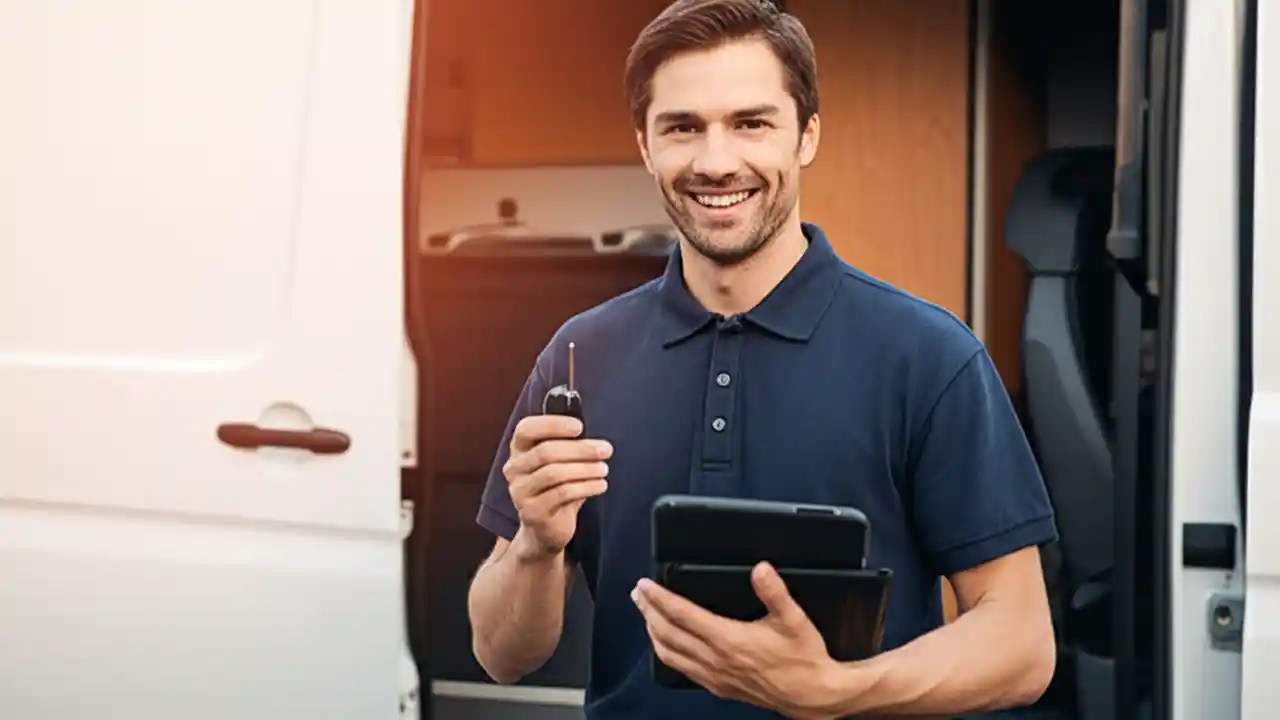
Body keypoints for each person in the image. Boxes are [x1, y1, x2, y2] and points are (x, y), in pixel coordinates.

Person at [466, 0, 1059, 717]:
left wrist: (836, 692)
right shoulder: (578, 357)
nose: (716, 163)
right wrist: (535, 544)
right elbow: (501, 654)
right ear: (646, 146)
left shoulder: (929, 356)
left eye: (751, 123)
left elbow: (1022, 644)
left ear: (807, 135)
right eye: (683, 127)